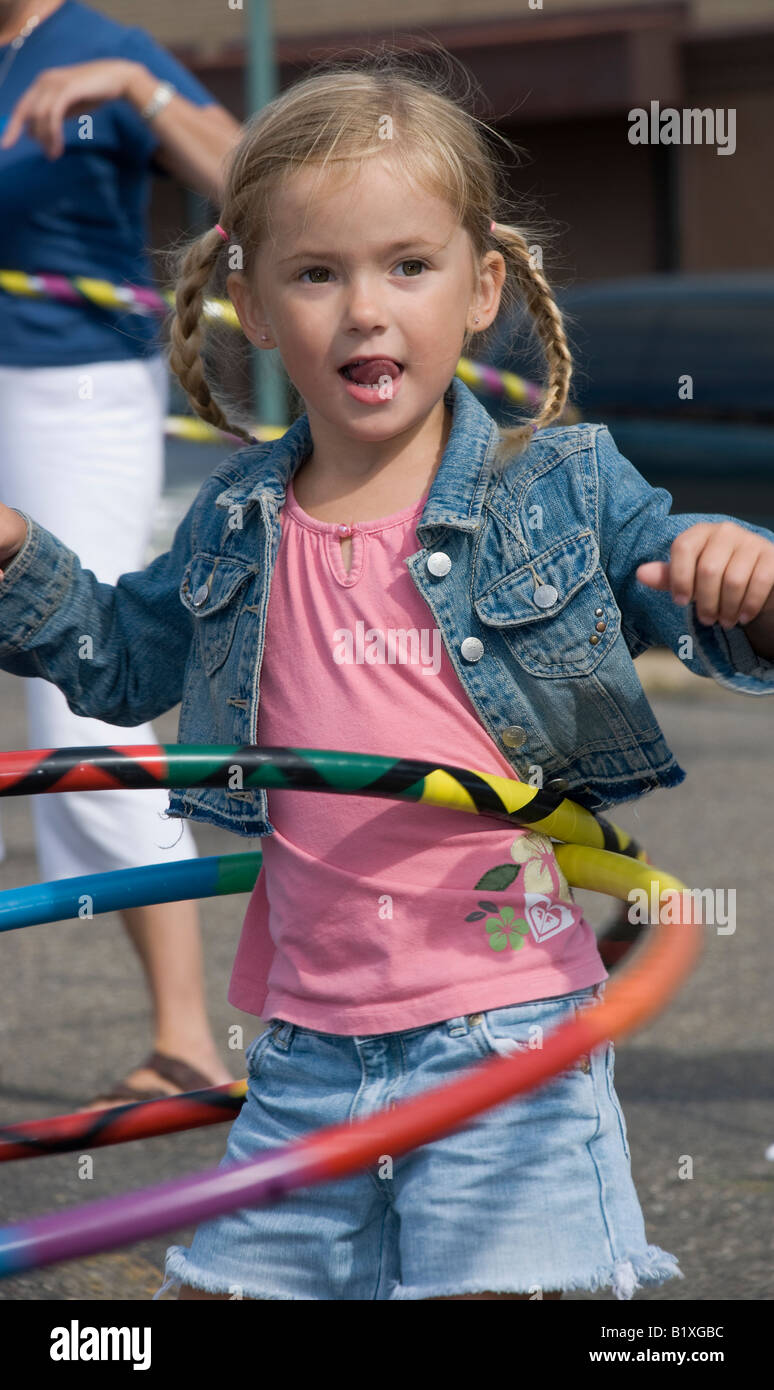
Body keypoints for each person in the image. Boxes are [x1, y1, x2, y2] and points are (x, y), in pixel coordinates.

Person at [1, 53, 774, 1301]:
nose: (367, 310)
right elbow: (118, 655)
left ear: (482, 290)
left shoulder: (560, 488)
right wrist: (17, 555)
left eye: (408, 267)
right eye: (317, 273)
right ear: (250, 305)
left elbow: (698, 607)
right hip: (303, 1057)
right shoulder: (238, 519)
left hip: (506, 1042)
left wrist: (748, 576)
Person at [0, 0, 243, 1108]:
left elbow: (253, 183)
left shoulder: (107, 47)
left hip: (73, 391)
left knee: (80, 687)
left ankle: (189, 1039)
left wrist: (131, 89)